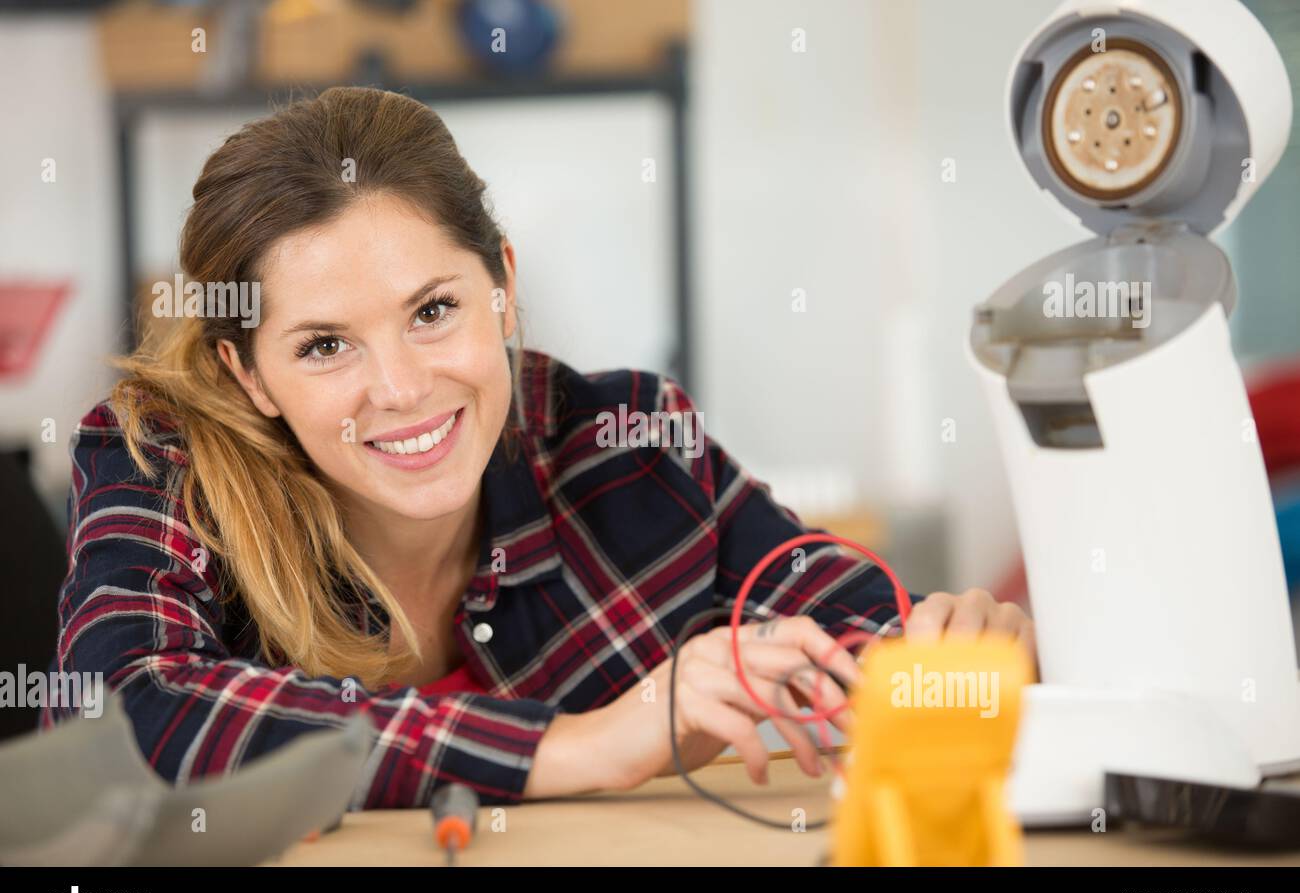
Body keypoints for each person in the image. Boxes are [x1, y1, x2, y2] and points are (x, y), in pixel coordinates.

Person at [45, 87, 1034, 808]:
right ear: (249, 373)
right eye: (323, 344)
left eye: (433, 309)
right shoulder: (158, 460)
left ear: (503, 288)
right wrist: (587, 745)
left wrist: (948, 655)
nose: (399, 388)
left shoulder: (632, 445)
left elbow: (850, 630)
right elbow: (119, 714)